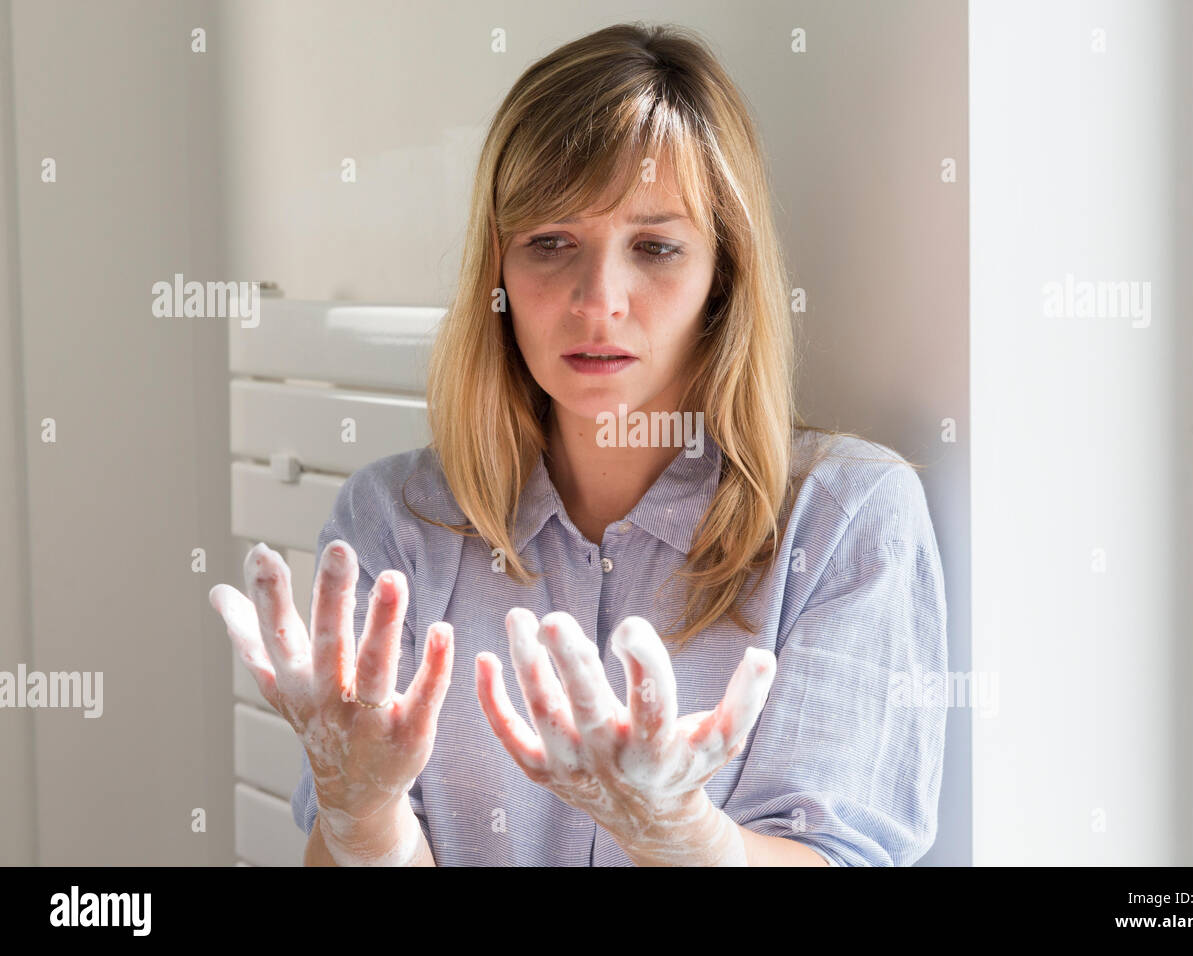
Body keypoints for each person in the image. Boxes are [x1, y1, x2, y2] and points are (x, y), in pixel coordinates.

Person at [208, 21, 947, 867]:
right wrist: (361, 818)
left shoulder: (845, 518)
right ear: (497, 274)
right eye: (550, 243)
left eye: (656, 247)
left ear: (723, 277)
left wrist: (687, 837)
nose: (599, 300)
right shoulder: (394, 521)